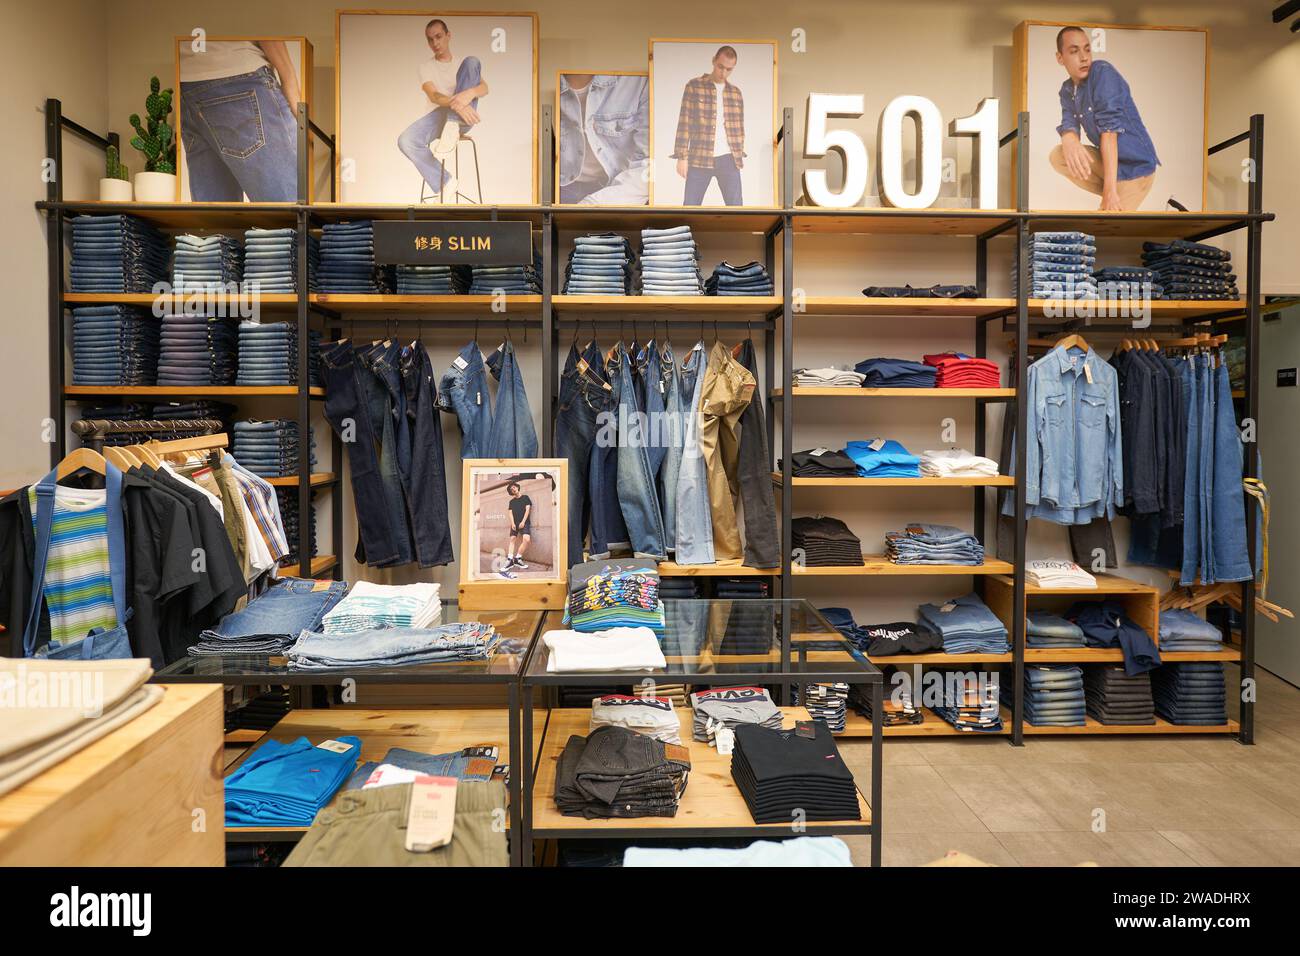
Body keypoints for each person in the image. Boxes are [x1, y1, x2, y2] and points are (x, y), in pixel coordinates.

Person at [1048, 26, 1160, 211]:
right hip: (1109, 164)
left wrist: (1109, 192)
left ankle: (1115, 193)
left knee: (1106, 222)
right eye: (1074, 51)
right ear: (1060, 58)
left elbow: (1109, 134)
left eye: (1087, 49)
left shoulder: (1102, 73)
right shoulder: (1067, 89)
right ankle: (1114, 191)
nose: (1084, 57)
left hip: (1135, 169)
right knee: (1058, 155)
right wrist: (1069, 137)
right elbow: (1069, 123)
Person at [179, 41, 300, 201]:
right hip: (238, 77)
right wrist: (290, 82)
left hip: (186, 85)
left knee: (219, 221)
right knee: (288, 209)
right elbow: (264, 21)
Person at [397, 18, 489, 202]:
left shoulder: (463, 65)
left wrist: (468, 94)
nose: (435, 43)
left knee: (472, 61)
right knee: (405, 141)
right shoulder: (425, 67)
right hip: (437, 118)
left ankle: (453, 125)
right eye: (430, 39)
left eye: (438, 37)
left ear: (448, 35)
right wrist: (458, 103)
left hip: (463, 118)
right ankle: (445, 182)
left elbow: (484, 88)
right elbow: (434, 96)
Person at [558, 73, 650, 204]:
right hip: (560, 188)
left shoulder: (638, 80)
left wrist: (592, 205)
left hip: (621, 188)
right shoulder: (541, 80)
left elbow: (649, 166)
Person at [671, 46, 745, 206]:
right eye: (720, 67)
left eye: (729, 69)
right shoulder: (694, 86)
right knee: (690, 208)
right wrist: (682, 157)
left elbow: (739, 127)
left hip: (728, 159)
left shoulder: (735, 93)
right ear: (714, 61)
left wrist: (738, 153)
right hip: (699, 157)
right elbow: (685, 121)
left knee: (737, 209)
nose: (723, 73)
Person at [504, 482, 532, 572]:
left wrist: (523, 522)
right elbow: (510, 513)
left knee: (527, 539)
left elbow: (528, 510)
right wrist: (512, 523)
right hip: (514, 523)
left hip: (524, 522)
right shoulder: (511, 502)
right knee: (512, 539)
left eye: (514, 487)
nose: (513, 489)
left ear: (517, 487)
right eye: (511, 489)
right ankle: (509, 560)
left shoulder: (525, 498)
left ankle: (518, 558)